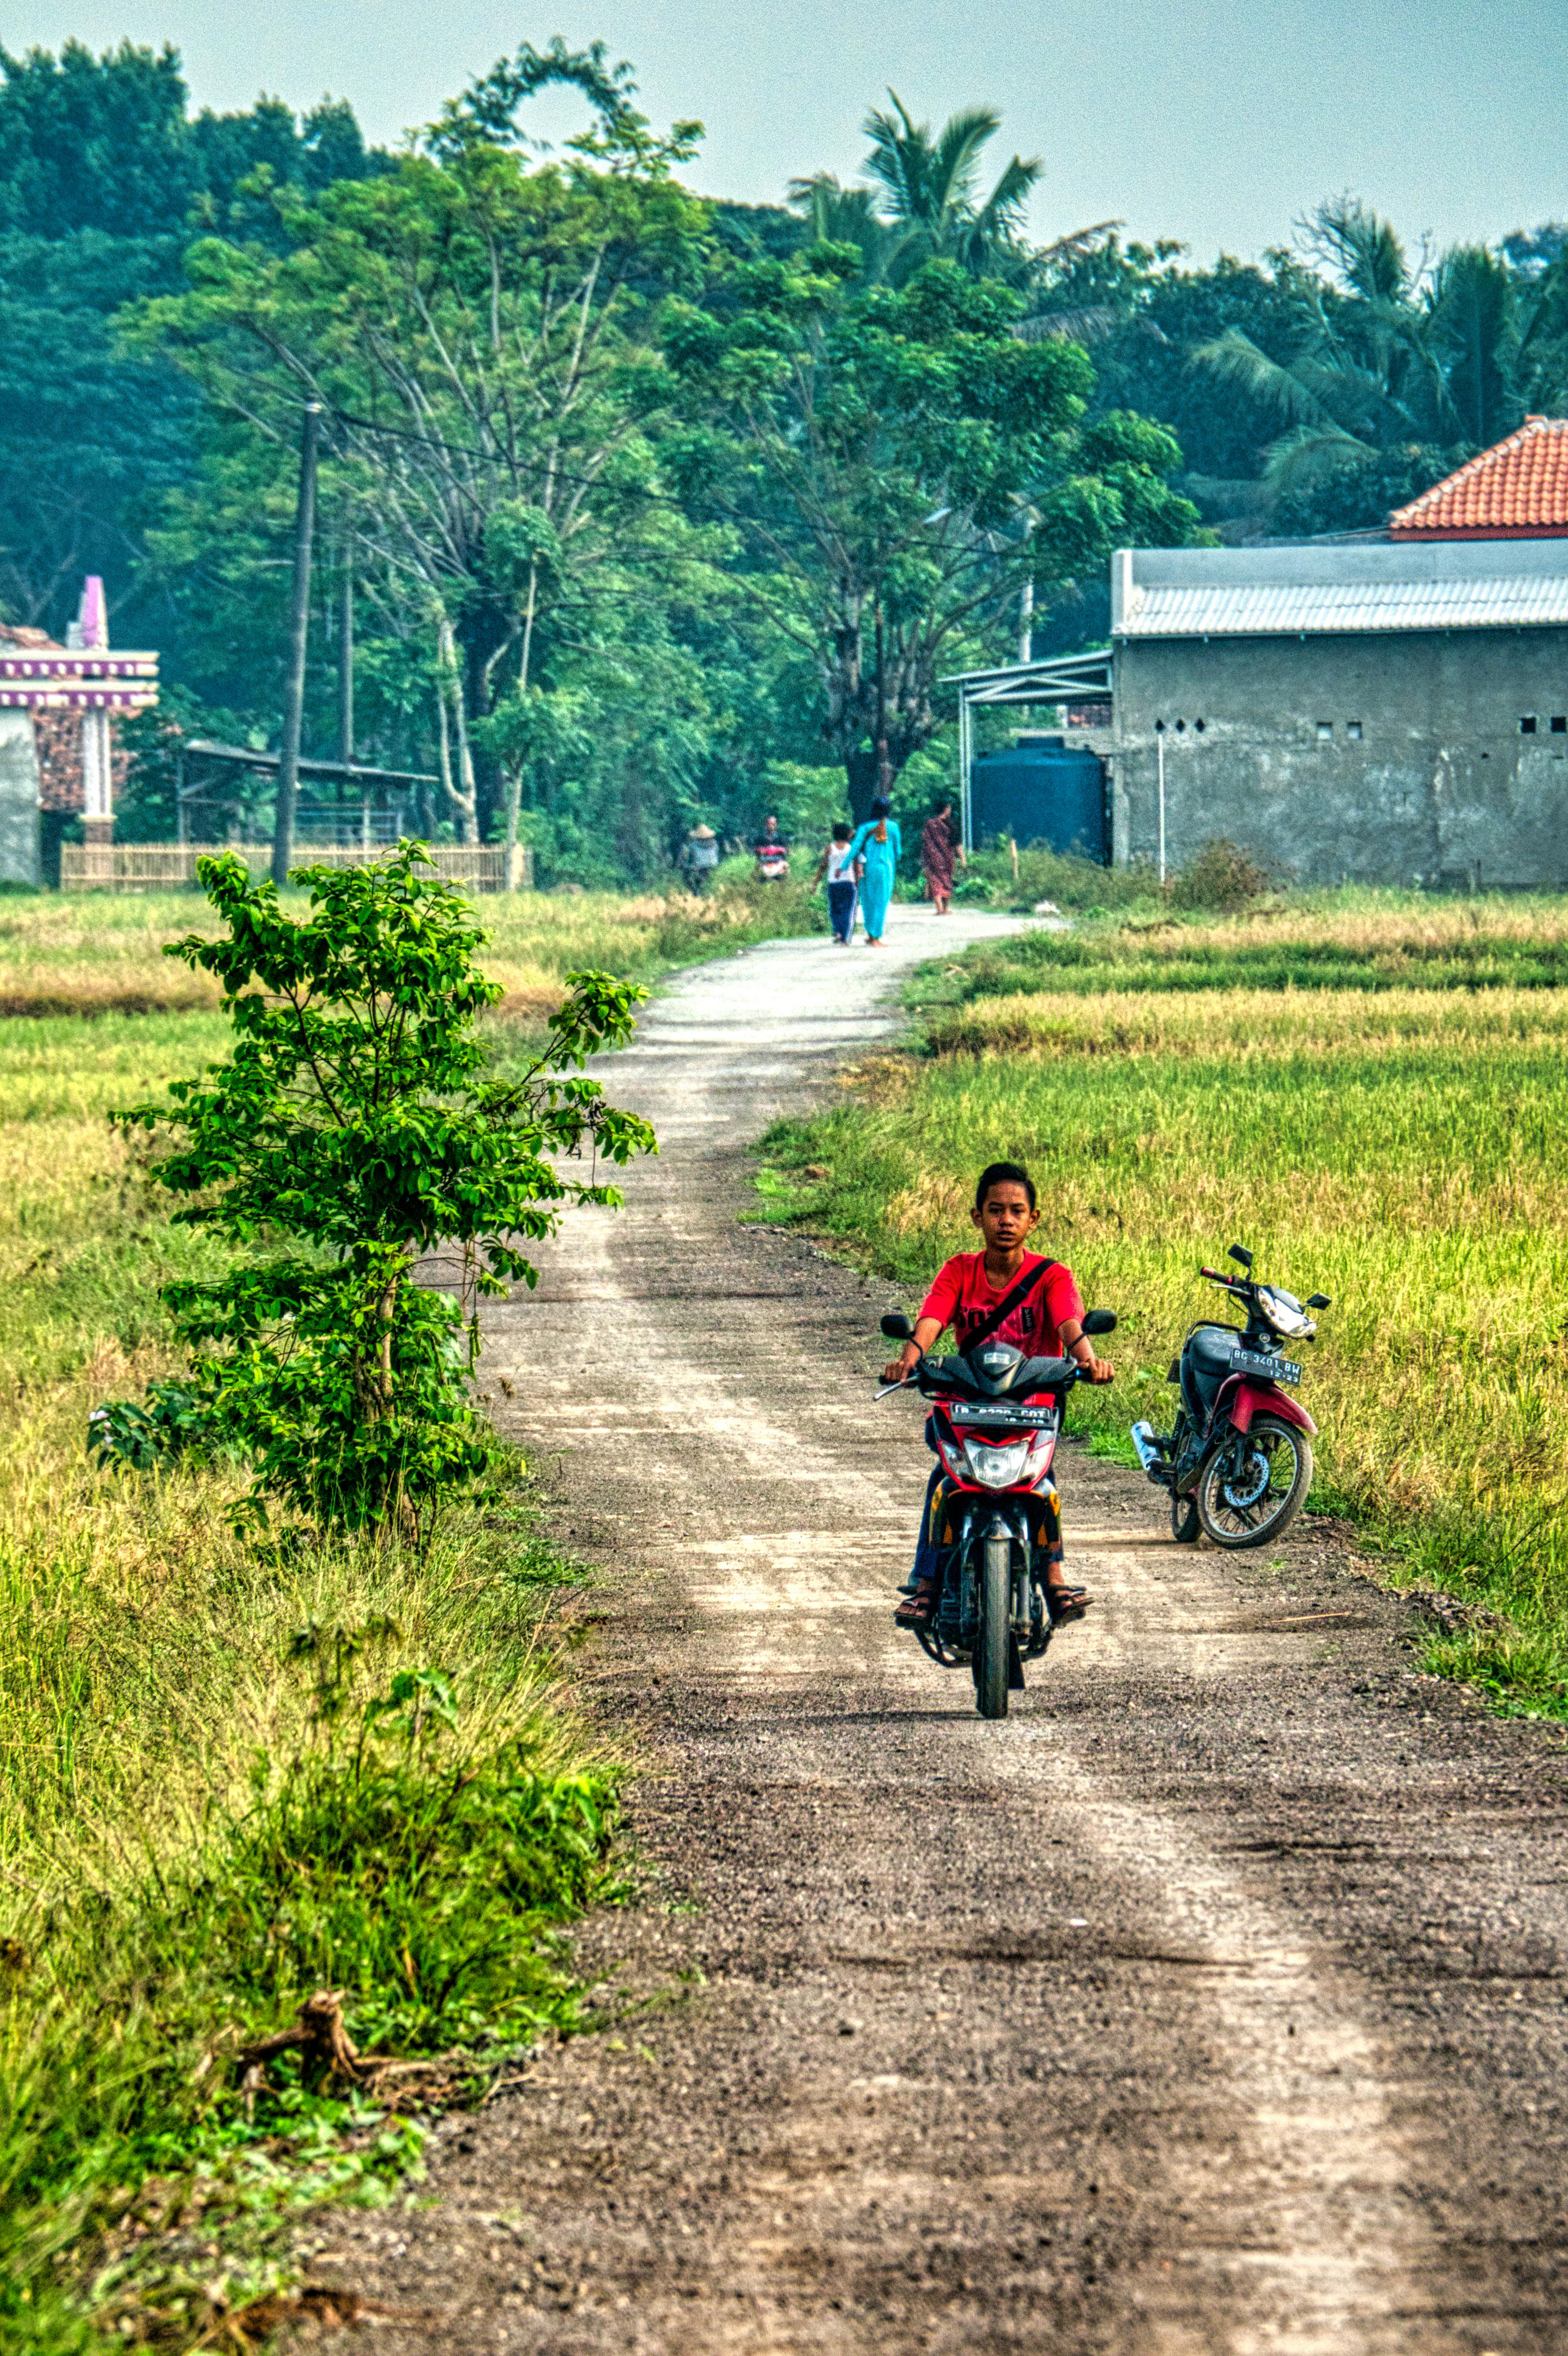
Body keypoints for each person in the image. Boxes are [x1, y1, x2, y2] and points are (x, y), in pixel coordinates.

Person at [881, 1160, 1115, 1628]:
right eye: (994, 1210)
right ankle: (926, 1586)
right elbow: (932, 1317)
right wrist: (910, 1355)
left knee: (1041, 1483)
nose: (1005, 1220)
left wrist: (1088, 1360)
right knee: (943, 1481)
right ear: (976, 1217)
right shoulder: (959, 1270)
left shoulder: (1051, 1275)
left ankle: (1054, 1578)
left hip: (1031, 1407)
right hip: (966, 1401)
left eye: (1015, 1211)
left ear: (1033, 1219)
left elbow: (1070, 1323)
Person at [846, 798, 901, 945]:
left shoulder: (865, 827)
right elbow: (898, 852)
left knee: (868, 901)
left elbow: (855, 848)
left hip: (866, 868)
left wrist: (845, 865)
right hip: (885, 869)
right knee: (881, 902)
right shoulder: (893, 827)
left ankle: (871, 935)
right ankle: (876, 937)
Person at [814, 821, 861, 944]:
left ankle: (838, 932)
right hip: (849, 883)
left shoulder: (830, 848)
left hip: (834, 883)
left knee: (834, 910)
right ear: (847, 835)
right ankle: (845, 937)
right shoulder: (852, 849)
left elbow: (823, 866)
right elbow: (856, 867)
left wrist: (815, 882)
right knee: (848, 911)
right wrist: (857, 883)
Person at [921, 796, 966, 914]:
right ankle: (945, 908)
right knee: (947, 882)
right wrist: (962, 858)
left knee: (935, 883)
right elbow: (957, 844)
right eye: (949, 808)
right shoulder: (951, 825)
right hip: (947, 859)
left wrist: (925, 860)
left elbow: (925, 843)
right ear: (946, 809)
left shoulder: (930, 825)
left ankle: (939, 908)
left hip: (932, 859)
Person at [680, 822, 719, 894]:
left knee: (686, 871)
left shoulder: (693, 846)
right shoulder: (715, 844)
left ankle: (695, 892)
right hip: (714, 866)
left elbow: (690, 859)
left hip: (700, 868)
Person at [754, 814, 790, 883]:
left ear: (776, 825)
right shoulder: (761, 838)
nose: (771, 826)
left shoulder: (781, 838)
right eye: (769, 824)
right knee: (756, 870)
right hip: (764, 861)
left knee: (787, 867)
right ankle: (753, 885)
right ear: (766, 825)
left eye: (773, 824)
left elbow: (786, 850)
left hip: (778, 862)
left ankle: (786, 886)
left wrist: (779, 850)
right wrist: (761, 851)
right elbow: (755, 849)